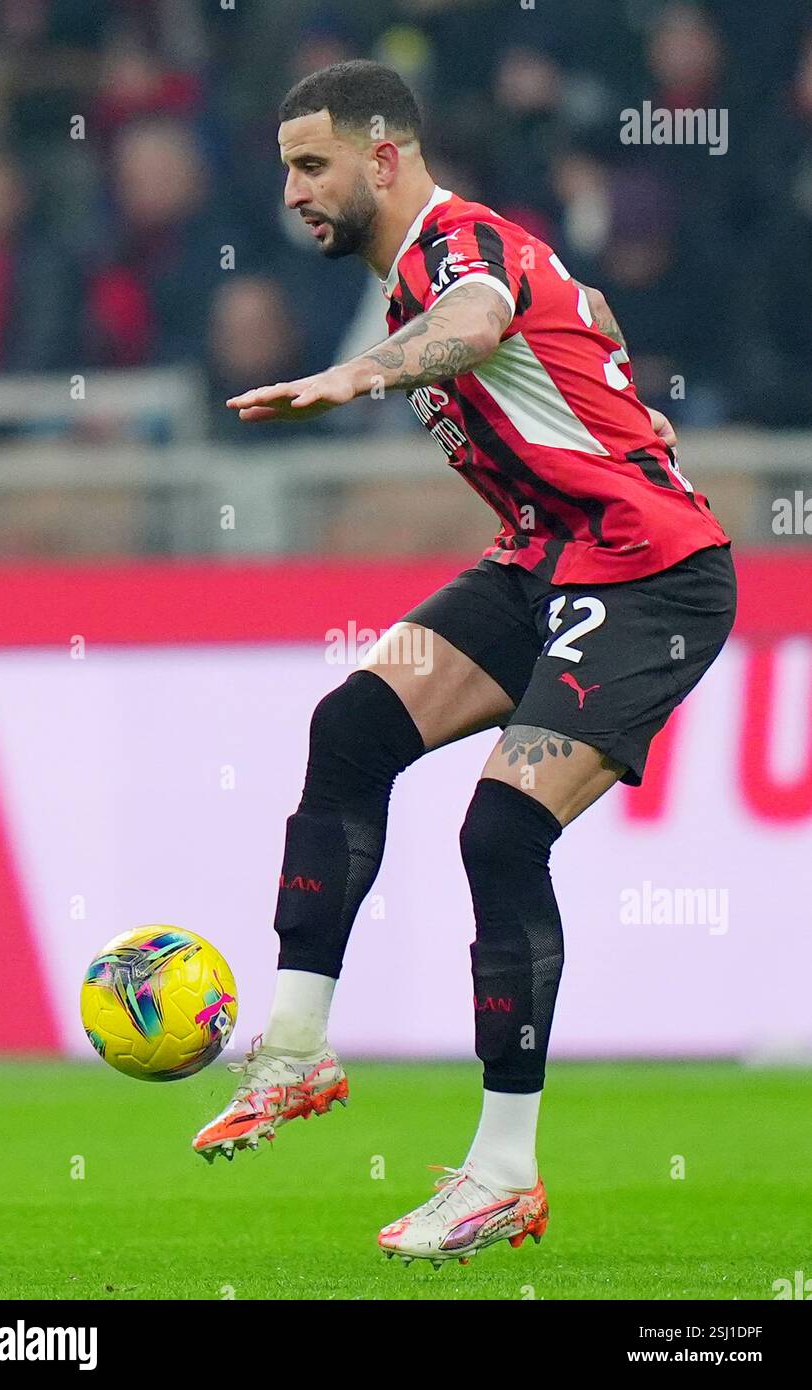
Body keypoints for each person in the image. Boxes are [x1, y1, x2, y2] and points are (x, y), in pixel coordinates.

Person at [192, 60, 736, 1268]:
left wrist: (356, 375)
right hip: (546, 555)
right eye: (286, 166)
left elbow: (478, 320)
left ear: (384, 158)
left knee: (497, 832)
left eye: (312, 164)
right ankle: (294, 1046)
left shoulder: (455, 248)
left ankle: (499, 1172)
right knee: (351, 728)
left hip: (648, 573)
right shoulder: (417, 280)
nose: (292, 191)